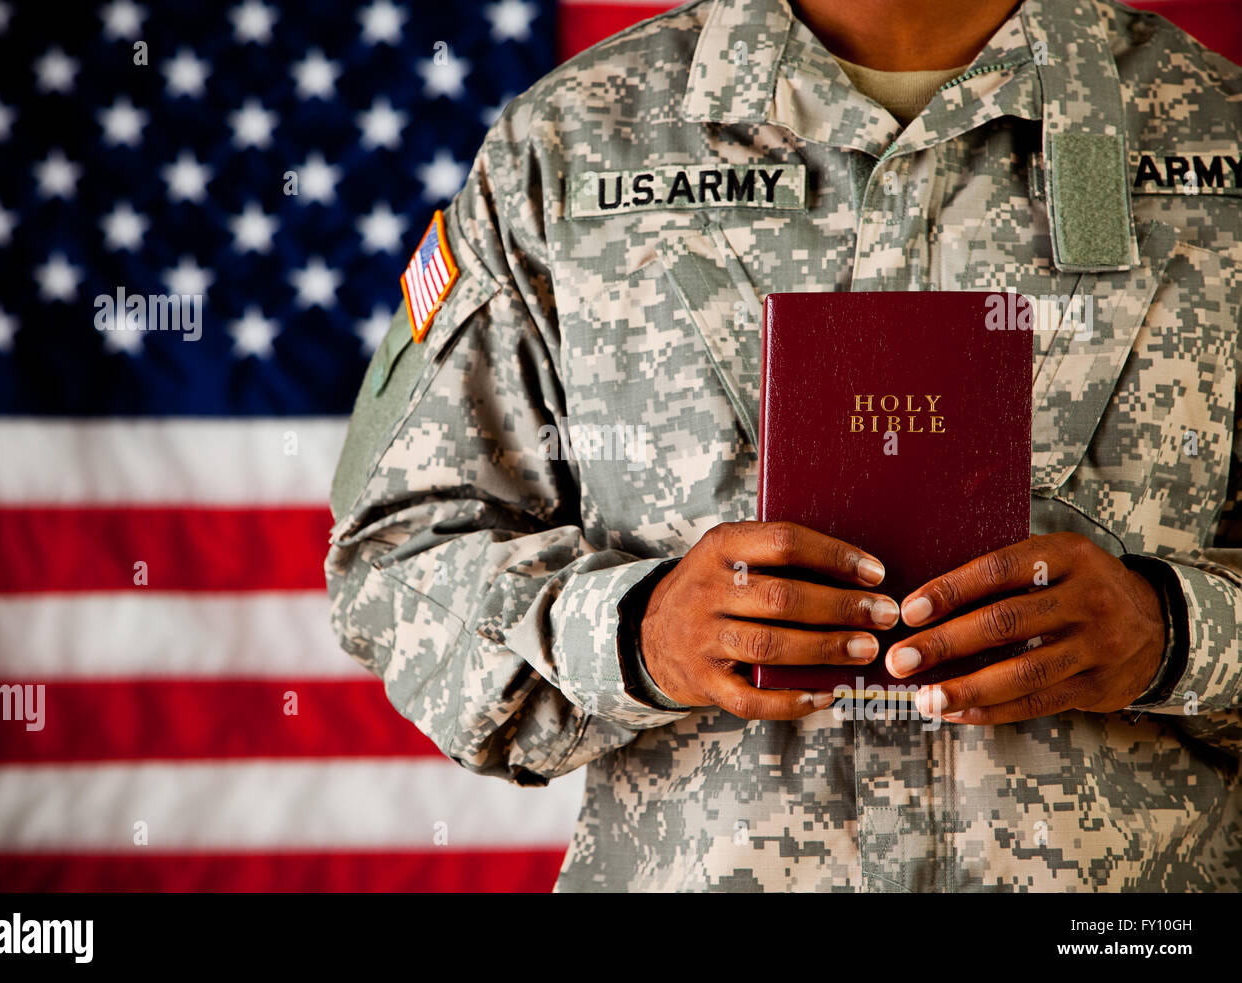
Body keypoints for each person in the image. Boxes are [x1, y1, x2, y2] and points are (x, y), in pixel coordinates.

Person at [326, 0, 1242, 891]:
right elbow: (392, 562)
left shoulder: (1217, 131)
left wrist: (1175, 633)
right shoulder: (572, 144)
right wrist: (636, 635)